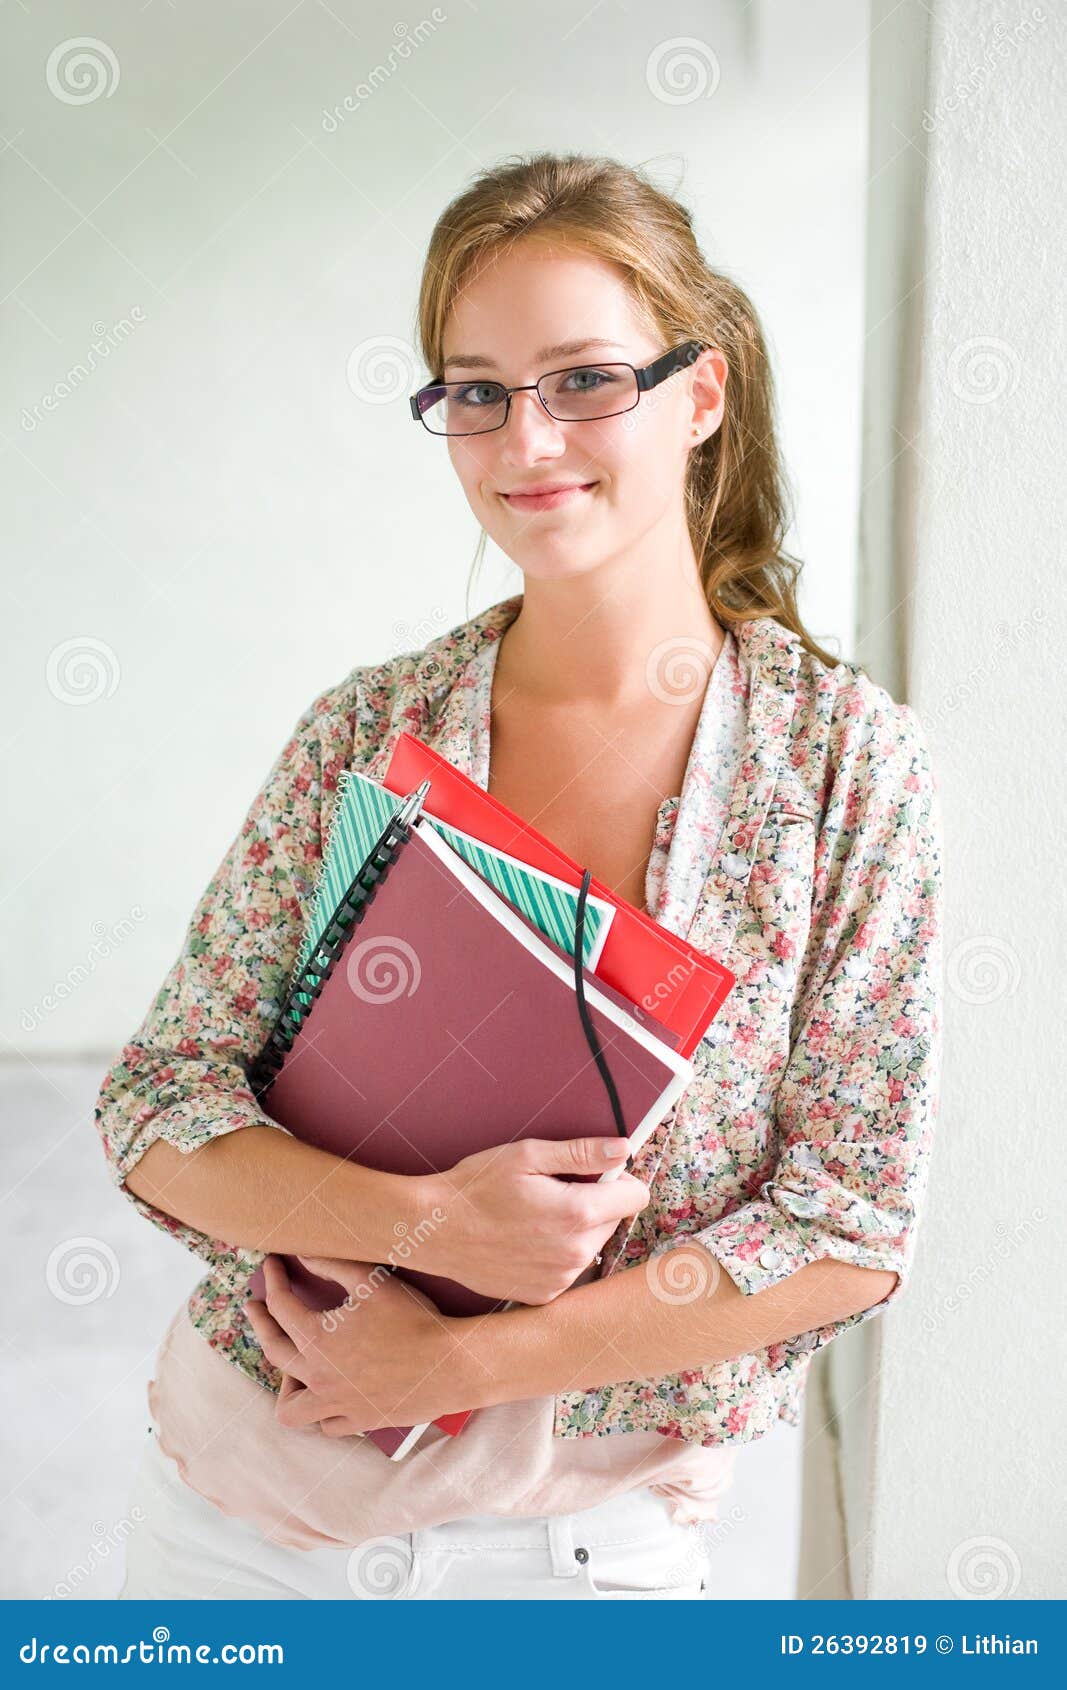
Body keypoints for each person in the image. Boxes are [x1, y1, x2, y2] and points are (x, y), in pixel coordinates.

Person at [95, 151, 943, 1600]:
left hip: (586, 1559)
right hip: (240, 1520)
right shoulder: (371, 730)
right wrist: (424, 1222)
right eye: (476, 391)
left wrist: (458, 1361)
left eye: (586, 380)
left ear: (702, 393)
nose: (526, 439)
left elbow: (848, 1224)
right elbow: (160, 1106)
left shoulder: (844, 767)